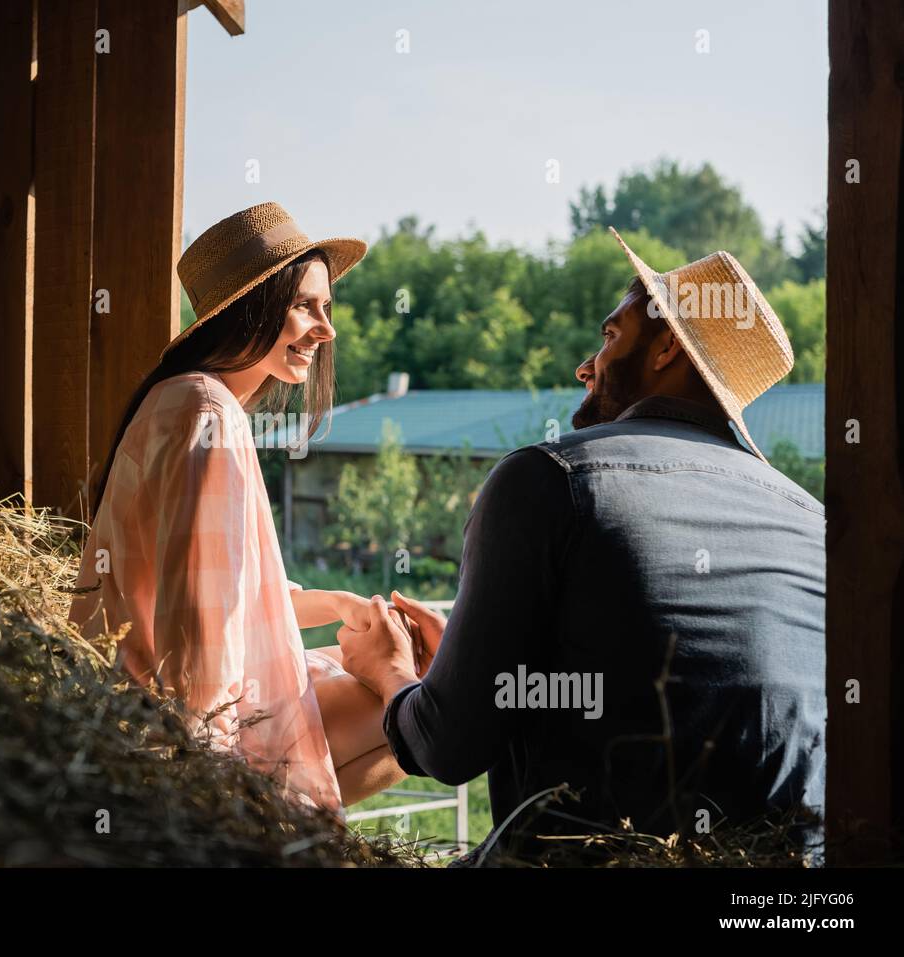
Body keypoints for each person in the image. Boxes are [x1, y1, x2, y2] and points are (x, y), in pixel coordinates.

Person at [338, 228, 826, 862]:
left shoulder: (548, 480)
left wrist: (391, 671)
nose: (586, 366)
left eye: (610, 335)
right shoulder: (813, 524)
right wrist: (471, 653)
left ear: (667, 350)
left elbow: (447, 745)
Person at [68, 202, 413, 814]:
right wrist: (206, 772)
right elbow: (198, 618)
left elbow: (228, 593)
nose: (326, 328)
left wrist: (338, 605)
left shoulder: (182, 399)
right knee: (412, 708)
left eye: (326, 307)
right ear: (250, 309)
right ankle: (266, 827)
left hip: (124, 700)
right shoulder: (209, 415)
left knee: (387, 664)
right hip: (169, 729)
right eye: (305, 305)